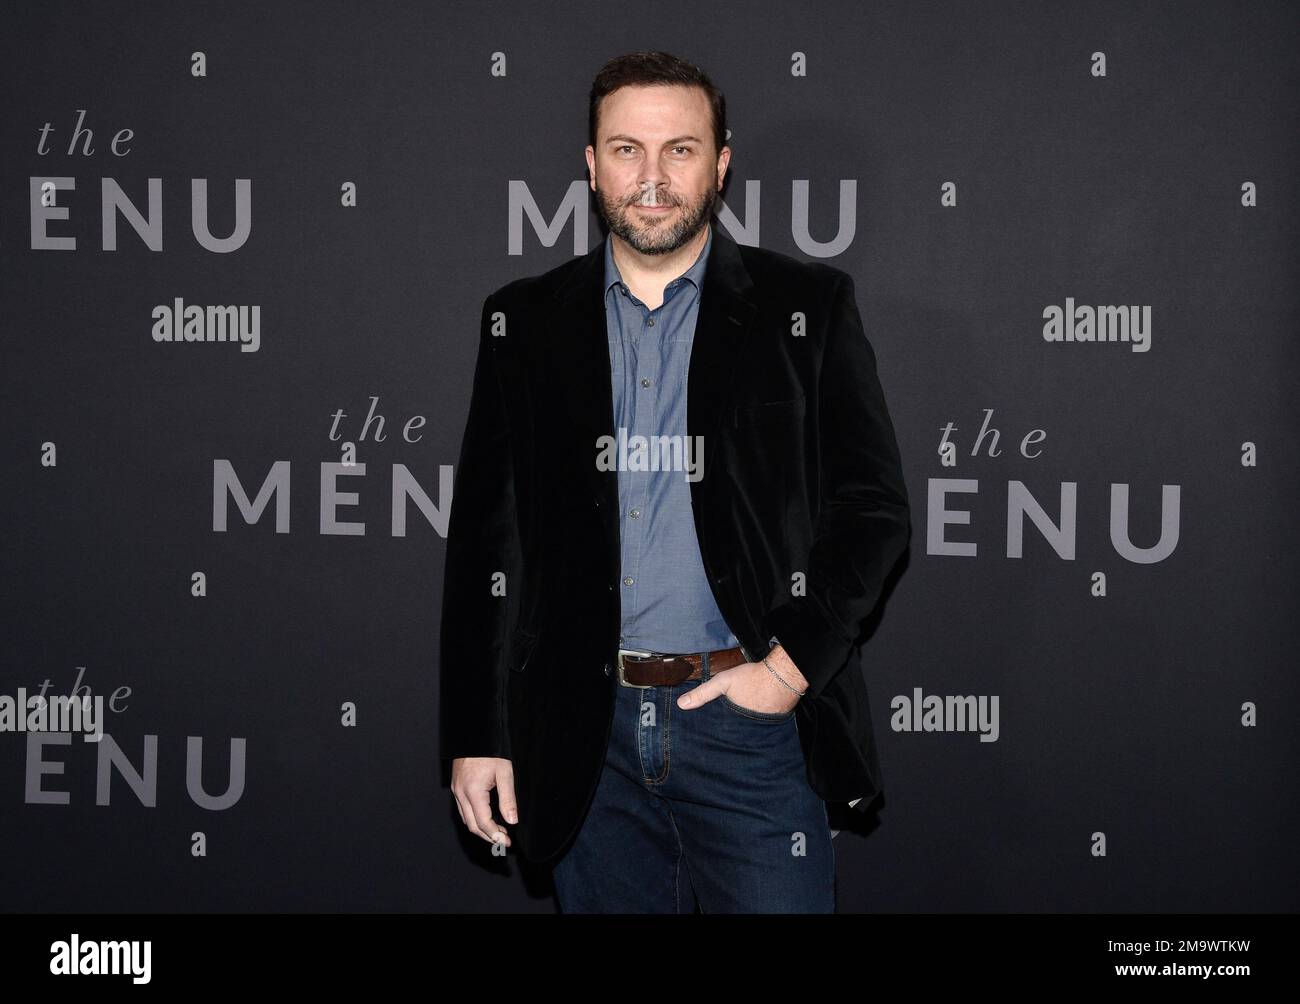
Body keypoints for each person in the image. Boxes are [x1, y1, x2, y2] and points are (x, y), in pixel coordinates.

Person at [440, 50, 911, 913]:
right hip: (587, 736)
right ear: (590, 165)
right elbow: (486, 542)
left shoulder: (804, 308)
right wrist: (479, 732)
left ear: (721, 163)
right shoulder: (524, 322)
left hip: (750, 732)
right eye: (626, 150)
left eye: (680, 150)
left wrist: (789, 671)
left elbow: (874, 512)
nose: (652, 177)